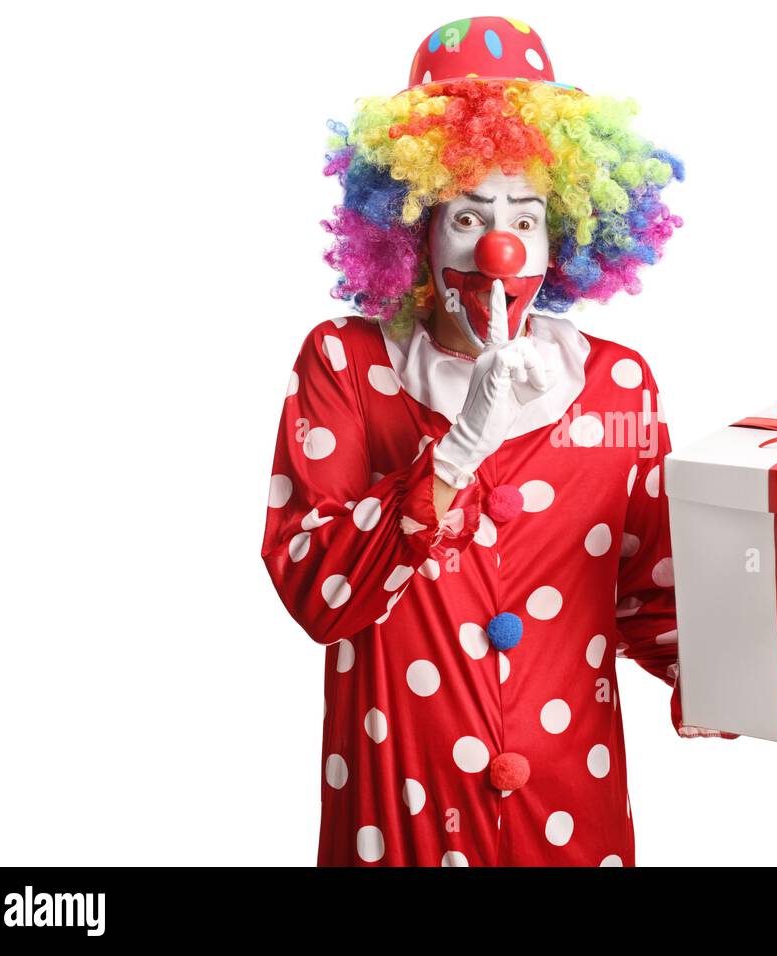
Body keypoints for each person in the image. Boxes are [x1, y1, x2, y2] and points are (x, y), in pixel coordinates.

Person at [260, 16, 724, 867]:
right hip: (401, 804)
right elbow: (319, 592)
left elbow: (645, 596)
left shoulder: (617, 382)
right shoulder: (347, 363)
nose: (500, 246)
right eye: (468, 218)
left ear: (564, 237)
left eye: (526, 217)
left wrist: (759, 676)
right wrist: (455, 451)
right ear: (413, 230)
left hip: (569, 807)